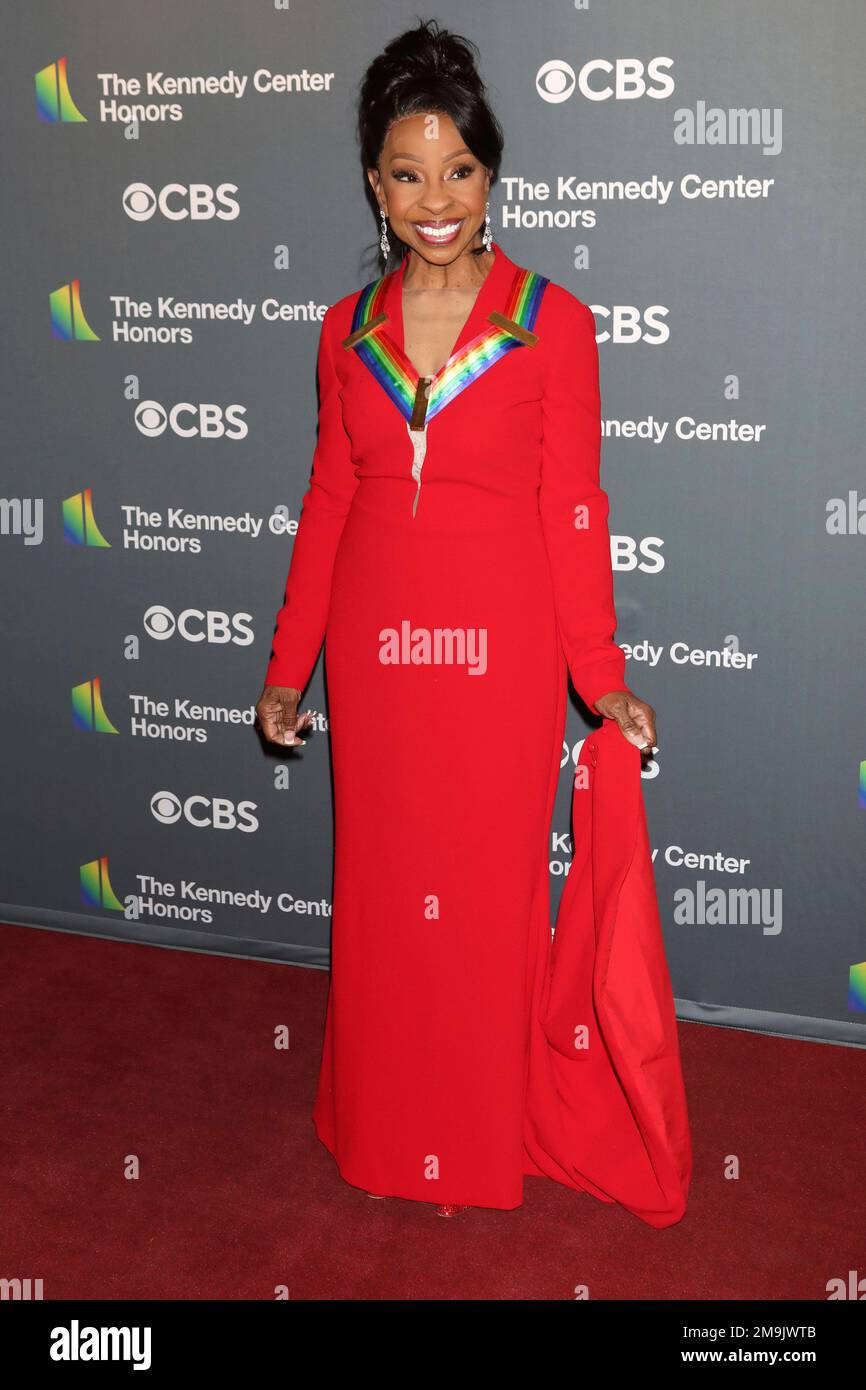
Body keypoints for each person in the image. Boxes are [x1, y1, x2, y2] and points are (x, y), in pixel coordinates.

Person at [255, 19, 691, 1224]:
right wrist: (291, 668)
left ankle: (471, 1126)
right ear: (372, 184)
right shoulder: (341, 333)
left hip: (500, 664)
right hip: (378, 663)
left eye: (456, 169)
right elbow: (330, 500)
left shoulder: (554, 323)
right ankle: (381, 1120)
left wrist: (598, 675)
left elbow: (573, 508)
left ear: (491, 174)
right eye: (406, 173)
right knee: (386, 892)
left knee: (485, 894)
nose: (433, 198)